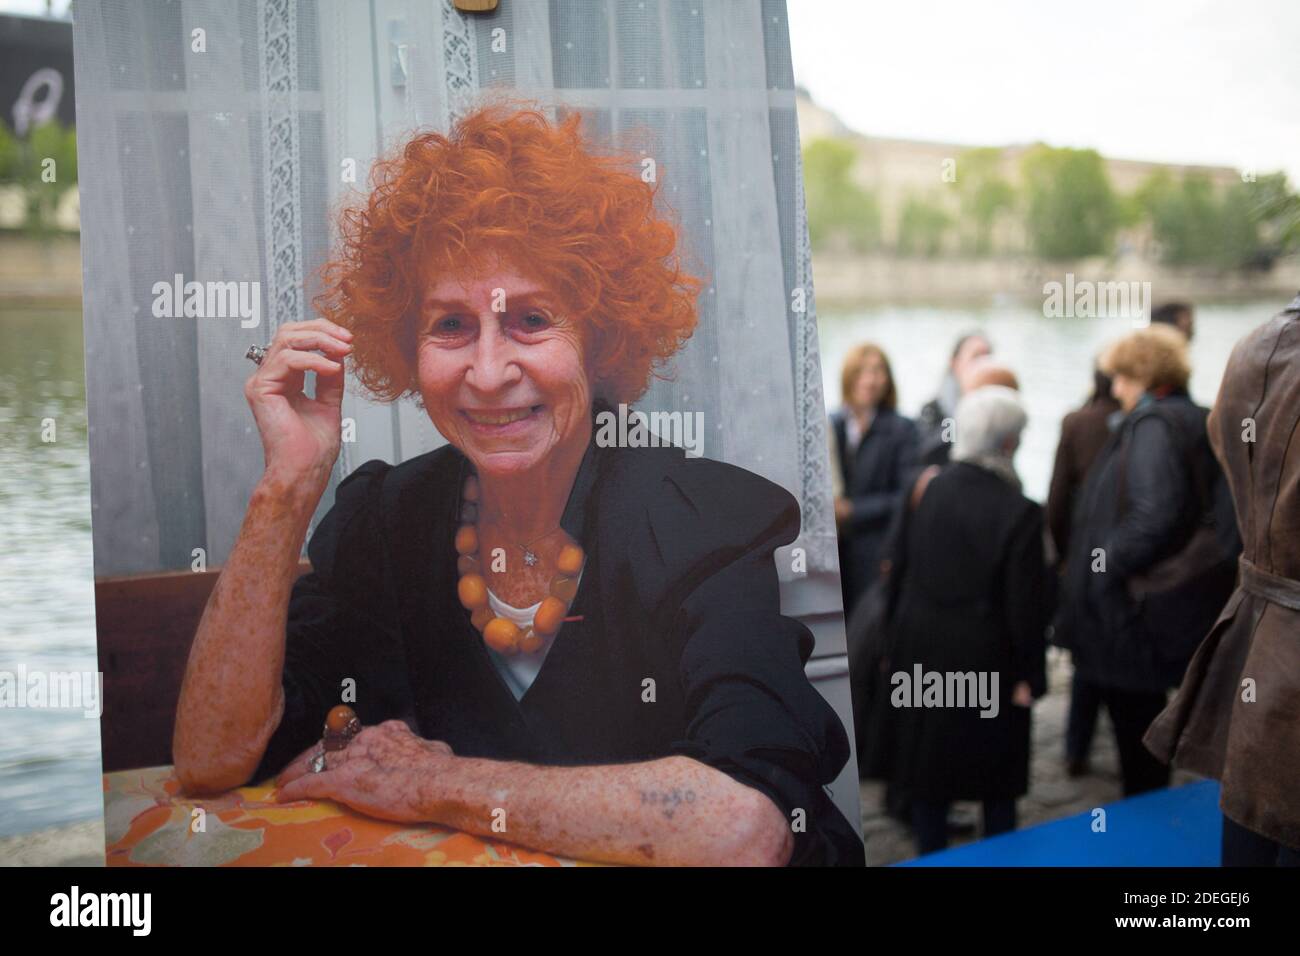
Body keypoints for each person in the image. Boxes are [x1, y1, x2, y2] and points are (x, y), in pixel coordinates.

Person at [171, 105, 863, 867]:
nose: (491, 372)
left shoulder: (693, 522)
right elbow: (213, 761)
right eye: (450, 326)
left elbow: (741, 830)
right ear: (408, 344)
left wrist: (435, 782)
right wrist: (287, 486)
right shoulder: (386, 520)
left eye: (532, 319)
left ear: (598, 338)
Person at [1145, 296, 1300, 866]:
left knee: (1251, 821)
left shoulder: (1250, 346)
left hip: (1257, 631)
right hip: (1277, 622)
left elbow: (1226, 447)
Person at [1062, 325, 1237, 797]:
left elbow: (1154, 516)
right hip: (1166, 603)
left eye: (1121, 377)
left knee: (1138, 745)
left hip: (1134, 612)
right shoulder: (1194, 415)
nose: (1114, 388)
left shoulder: (1154, 423)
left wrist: (1104, 570)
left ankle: (1144, 837)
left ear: (1143, 374)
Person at [884, 385, 1049, 855]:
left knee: (928, 776)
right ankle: (1000, 857)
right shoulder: (1020, 512)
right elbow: (1025, 608)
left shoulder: (929, 488)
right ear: (1010, 443)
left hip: (923, 648)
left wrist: (892, 650)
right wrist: (1030, 677)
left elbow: (902, 568)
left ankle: (930, 856)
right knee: (996, 779)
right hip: (989, 656)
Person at [1046, 364, 1121, 777]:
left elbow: (1057, 496)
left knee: (1087, 659)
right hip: (1131, 561)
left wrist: (1059, 556)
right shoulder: (1137, 424)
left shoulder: (1078, 422)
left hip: (1084, 556)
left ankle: (1077, 747)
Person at [830, 343, 918, 616]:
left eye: (878, 371)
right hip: (834, 549)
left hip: (876, 549)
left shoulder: (903, 429)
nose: (870, 379)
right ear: (848, 376)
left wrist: (853, 511)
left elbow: (906, 496)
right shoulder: (830, 424)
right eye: (861, 371)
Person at [916, 331, 993, 466]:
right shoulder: (933, 410)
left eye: (987, 357)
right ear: (954, 362)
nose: (983, 364)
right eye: (976, 357)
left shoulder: (998, 413)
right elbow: (927, 452)